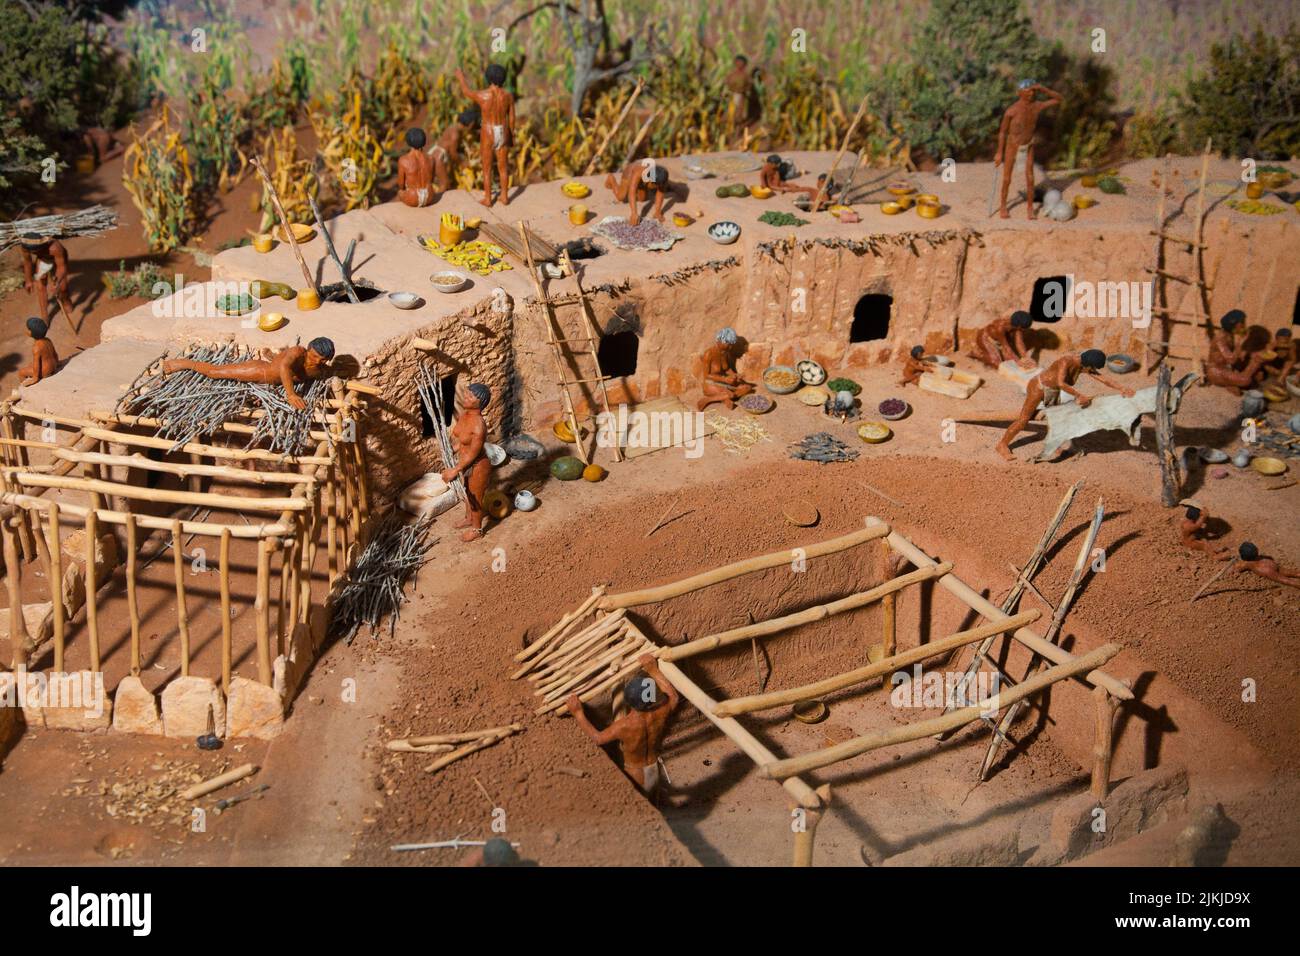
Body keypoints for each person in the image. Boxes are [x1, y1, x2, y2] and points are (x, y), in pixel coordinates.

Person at [566, 654, 678, 798]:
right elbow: (673, 696)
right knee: (653, 798)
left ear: (628, 702)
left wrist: (578, 714)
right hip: (654, 768)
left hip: (636, 774)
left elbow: (598, 738)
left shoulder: (624, 725)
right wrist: (653, 670)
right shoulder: (661, 712)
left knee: (640, 803)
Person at [996, 349, 1134, 462]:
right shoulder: (1066, 361)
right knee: (1023, 420)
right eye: (1091, 368)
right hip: (1038, 387)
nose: (1092, 371)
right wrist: (1079, 395)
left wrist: (1122, 388)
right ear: (1087, 364)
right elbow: (1061, 382)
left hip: (1052, 390)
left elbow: (1104, 379)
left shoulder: (1083, 366)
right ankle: (1002, 445)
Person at [162, 338, 334, 411]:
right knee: (215, 372)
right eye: (315, 356)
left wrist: (273, 357)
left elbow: (289, 367)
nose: (318, 361)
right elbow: (284, 367)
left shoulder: (318, 369)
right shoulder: (298, 352)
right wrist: (291, 394)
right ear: (308, 349)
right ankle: (183, 363)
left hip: (269, 375)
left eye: (323, 359)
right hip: (259, 371)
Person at [994, 80, 1063, 220]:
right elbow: (1002, 132)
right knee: (1007, 178)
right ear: (1020, 93)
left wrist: (1042, 88)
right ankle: (1003, 206)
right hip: (1012, 146)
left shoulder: (1037, 106)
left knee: (1030, 179)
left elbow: (1058, 99)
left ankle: (1030, 208)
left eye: (1033, 91)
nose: (1032, 93)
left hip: (1028, 146)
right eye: (1029, 91)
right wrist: (999, 152)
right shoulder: (1011, 111)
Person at [439, 381, 494, 542]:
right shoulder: (465, 415)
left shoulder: (479, 426)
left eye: (471, 396)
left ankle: (477, 529)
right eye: (467, 393)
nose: (466, 397)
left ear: (480, 402)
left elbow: (473, 453)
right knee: (467, 492)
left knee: (475, 498)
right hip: (466, 463)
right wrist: (453, 450)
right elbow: (463, 442)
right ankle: (469, 518)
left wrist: (455, 469)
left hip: (477, 466)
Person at [455, 64, 515, 207]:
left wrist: (461, 78)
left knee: (487, 168)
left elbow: (466, 92)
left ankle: (488, 199)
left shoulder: (483, 95)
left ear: (488, 78)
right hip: (503, 129)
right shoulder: (508, 96)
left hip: (488, 131)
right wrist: (511, 136)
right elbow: (512, 118)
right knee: (503, 168)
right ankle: (505, 197)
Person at [1206, 310, 1269, 394]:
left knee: (1258, 375)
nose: (1244, 326)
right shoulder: (1220, 339)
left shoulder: (1229, 335)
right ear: (1234, 325)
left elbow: (1233, 354)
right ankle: (1230, 383)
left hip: (1227, 368)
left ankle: (1230, 383)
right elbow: (1231, 360)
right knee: (1246, 380)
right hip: (1215, 371)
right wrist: (1241, 342)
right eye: (1242, 323)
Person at [18, 233, 73, 327]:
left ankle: (66, 300)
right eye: (33, 251)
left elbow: (61, 268)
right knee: (40, 286)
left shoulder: (55, 248)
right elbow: (27, 263)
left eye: (36, 250)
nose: (33, 253)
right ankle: (44, 315)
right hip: (43, 259)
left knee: (63, 287)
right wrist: (28, 280)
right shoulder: (25, 247)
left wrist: (57, 281)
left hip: (57, 260)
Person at [697, 327, 754, 411]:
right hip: (710, 383)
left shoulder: (726, 352)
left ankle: (724, 399)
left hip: (723, 382)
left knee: (747, 388)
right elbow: (706, 376)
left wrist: (735, 375)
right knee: (731, 394)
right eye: (728, 344)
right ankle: (707, 400)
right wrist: (724, 379)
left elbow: (727, 369)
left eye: (731, 344)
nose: (730, 347)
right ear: (719, 341)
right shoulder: (708, 354)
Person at [604, 158, 671, 226]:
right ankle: (611, 179)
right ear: (650, 181)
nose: (657, 188)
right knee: (620, 197)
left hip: (643, 180)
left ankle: (639, 185)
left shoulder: (663, 176)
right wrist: (634, 213)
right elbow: (631, 192)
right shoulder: (638, 172)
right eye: (654, 186)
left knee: (642, 199)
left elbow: (660, 193)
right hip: (629, 174)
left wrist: (658, 212)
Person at [431, 108, 478, 193]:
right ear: (471, 124)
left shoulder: (453, 127)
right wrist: (463, 163)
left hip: (435, 153)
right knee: (444, 184)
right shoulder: (455, 135)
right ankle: (438, 205)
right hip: (439, 157)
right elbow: (453, 154)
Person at [969, 311, 1035, 369]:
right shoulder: (1000, 327)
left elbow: (1019, 343)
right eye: (1024, 329)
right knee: (997, 364)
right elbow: (1006, 348)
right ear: (1019, 326)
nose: (1024, 330)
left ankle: (993, 354)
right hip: (986, 339)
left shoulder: (1017, 325)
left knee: (1010, 363)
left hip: (1000, 341)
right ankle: (978, 354)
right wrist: (1018, 362)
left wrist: (1026, 358)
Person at [1233, 542, 1300, 590]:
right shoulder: (1261, 557)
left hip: (1267, 571)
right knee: (1293, 572)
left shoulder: (1248, 563)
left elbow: (1238, 569)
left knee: (1288, 581)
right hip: (1269, 563)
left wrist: (1236, 565)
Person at [396, 127, 436, 207]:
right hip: (430, 195)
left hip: (413, 197)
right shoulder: (431, 158)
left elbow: (401, 185)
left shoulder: (403, 160)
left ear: (408, 142)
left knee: (400, 192)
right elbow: (431, 179)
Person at [18, 317, 59, 386]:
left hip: (45, 371)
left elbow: (36, 363)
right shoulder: (48, 340)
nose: (26, 330)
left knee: (21, 372)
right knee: (30, 364)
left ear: (32, 332)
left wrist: (35, 378)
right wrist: (57, 363)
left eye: (28, 329)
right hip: (54, 365)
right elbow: (55, 353)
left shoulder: (36, 347)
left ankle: (25, 389)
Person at [724, 54, 760, 131]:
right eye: (738, 62)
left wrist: (745, 91)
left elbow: (749, 85)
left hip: (741, 96)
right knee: (730, 113)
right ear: (735, 63)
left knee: (739, 113)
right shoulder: (731, 74)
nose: (739, 64)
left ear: (745, 64)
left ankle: (737, 128)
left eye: (741, 63)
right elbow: (726, 82)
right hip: (732, 95)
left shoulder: (746, 76)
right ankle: (730, 129)